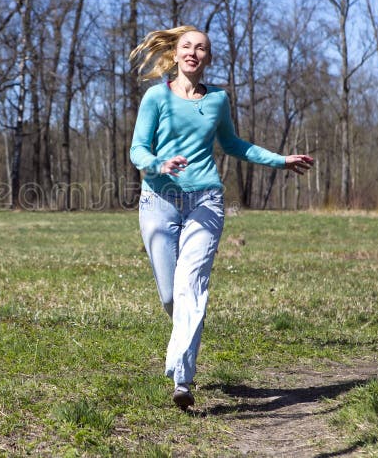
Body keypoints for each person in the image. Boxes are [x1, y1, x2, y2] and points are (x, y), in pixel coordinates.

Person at [129, 25, 314, 410]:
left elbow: (232, 145)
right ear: (176, 53)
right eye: (187, 46)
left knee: (191, 286)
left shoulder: (217, 100)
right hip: (159, 200)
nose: (193, 53)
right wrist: (160, 164)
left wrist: (280, 160)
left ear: (208, 58)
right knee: (170, 295)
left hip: (205, 201)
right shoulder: (156, 97)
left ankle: (182, 379)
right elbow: (137, 150)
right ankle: (183, 338)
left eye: (201, 48)